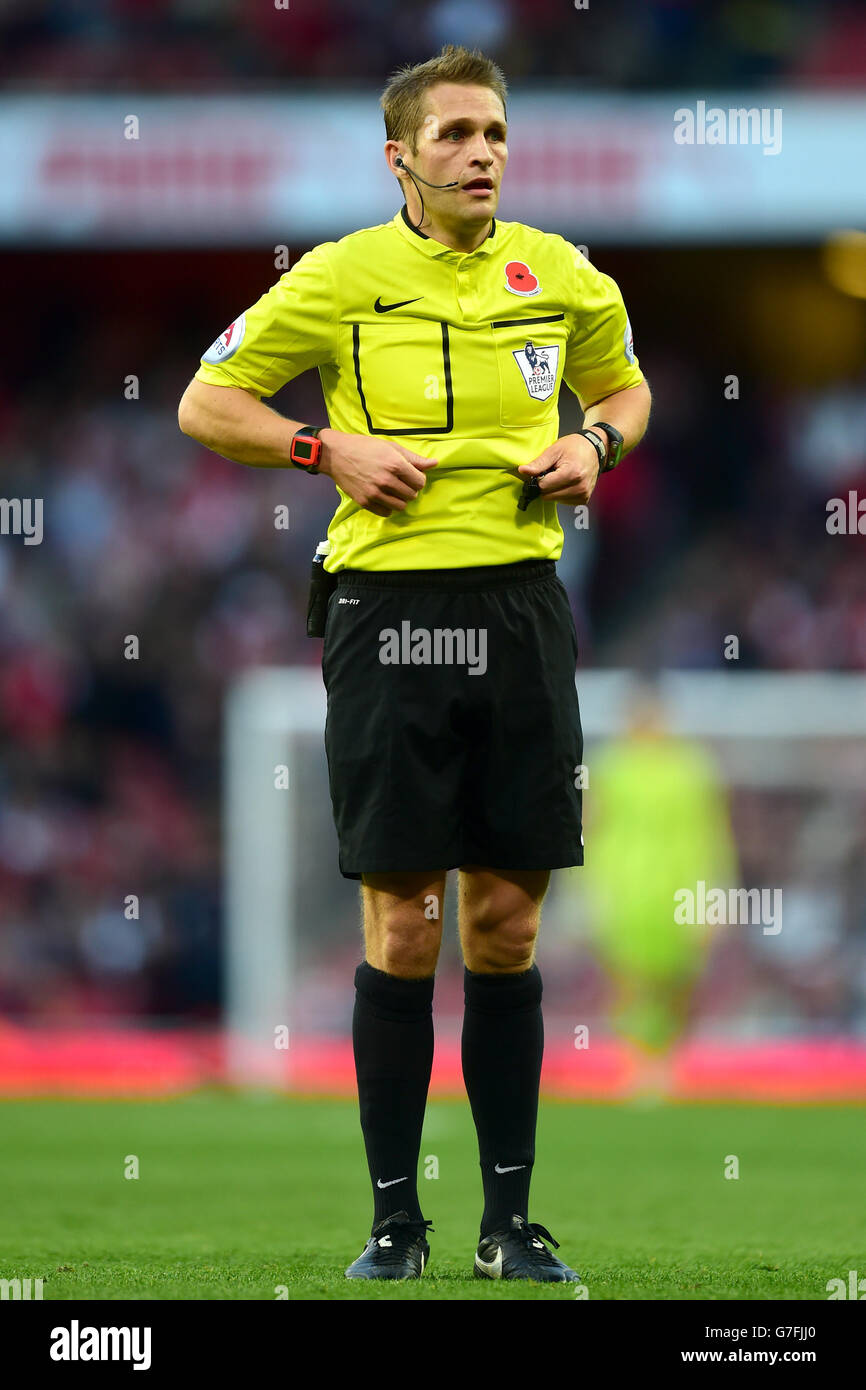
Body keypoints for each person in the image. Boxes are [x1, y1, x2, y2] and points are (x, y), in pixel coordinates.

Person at [178, 43, 652, 1283]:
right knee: (402, 917)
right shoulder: (337, 276)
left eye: (492, 131)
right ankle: (394, 1221)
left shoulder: (558, 271)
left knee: (503, 918)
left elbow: (627, 388)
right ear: (400, 156)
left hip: (520, 607)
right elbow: (204, 401)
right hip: (383, 614)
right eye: (451, 135)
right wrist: (319, 448)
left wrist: (595, 441)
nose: (479, 152)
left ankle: (509, 1225)